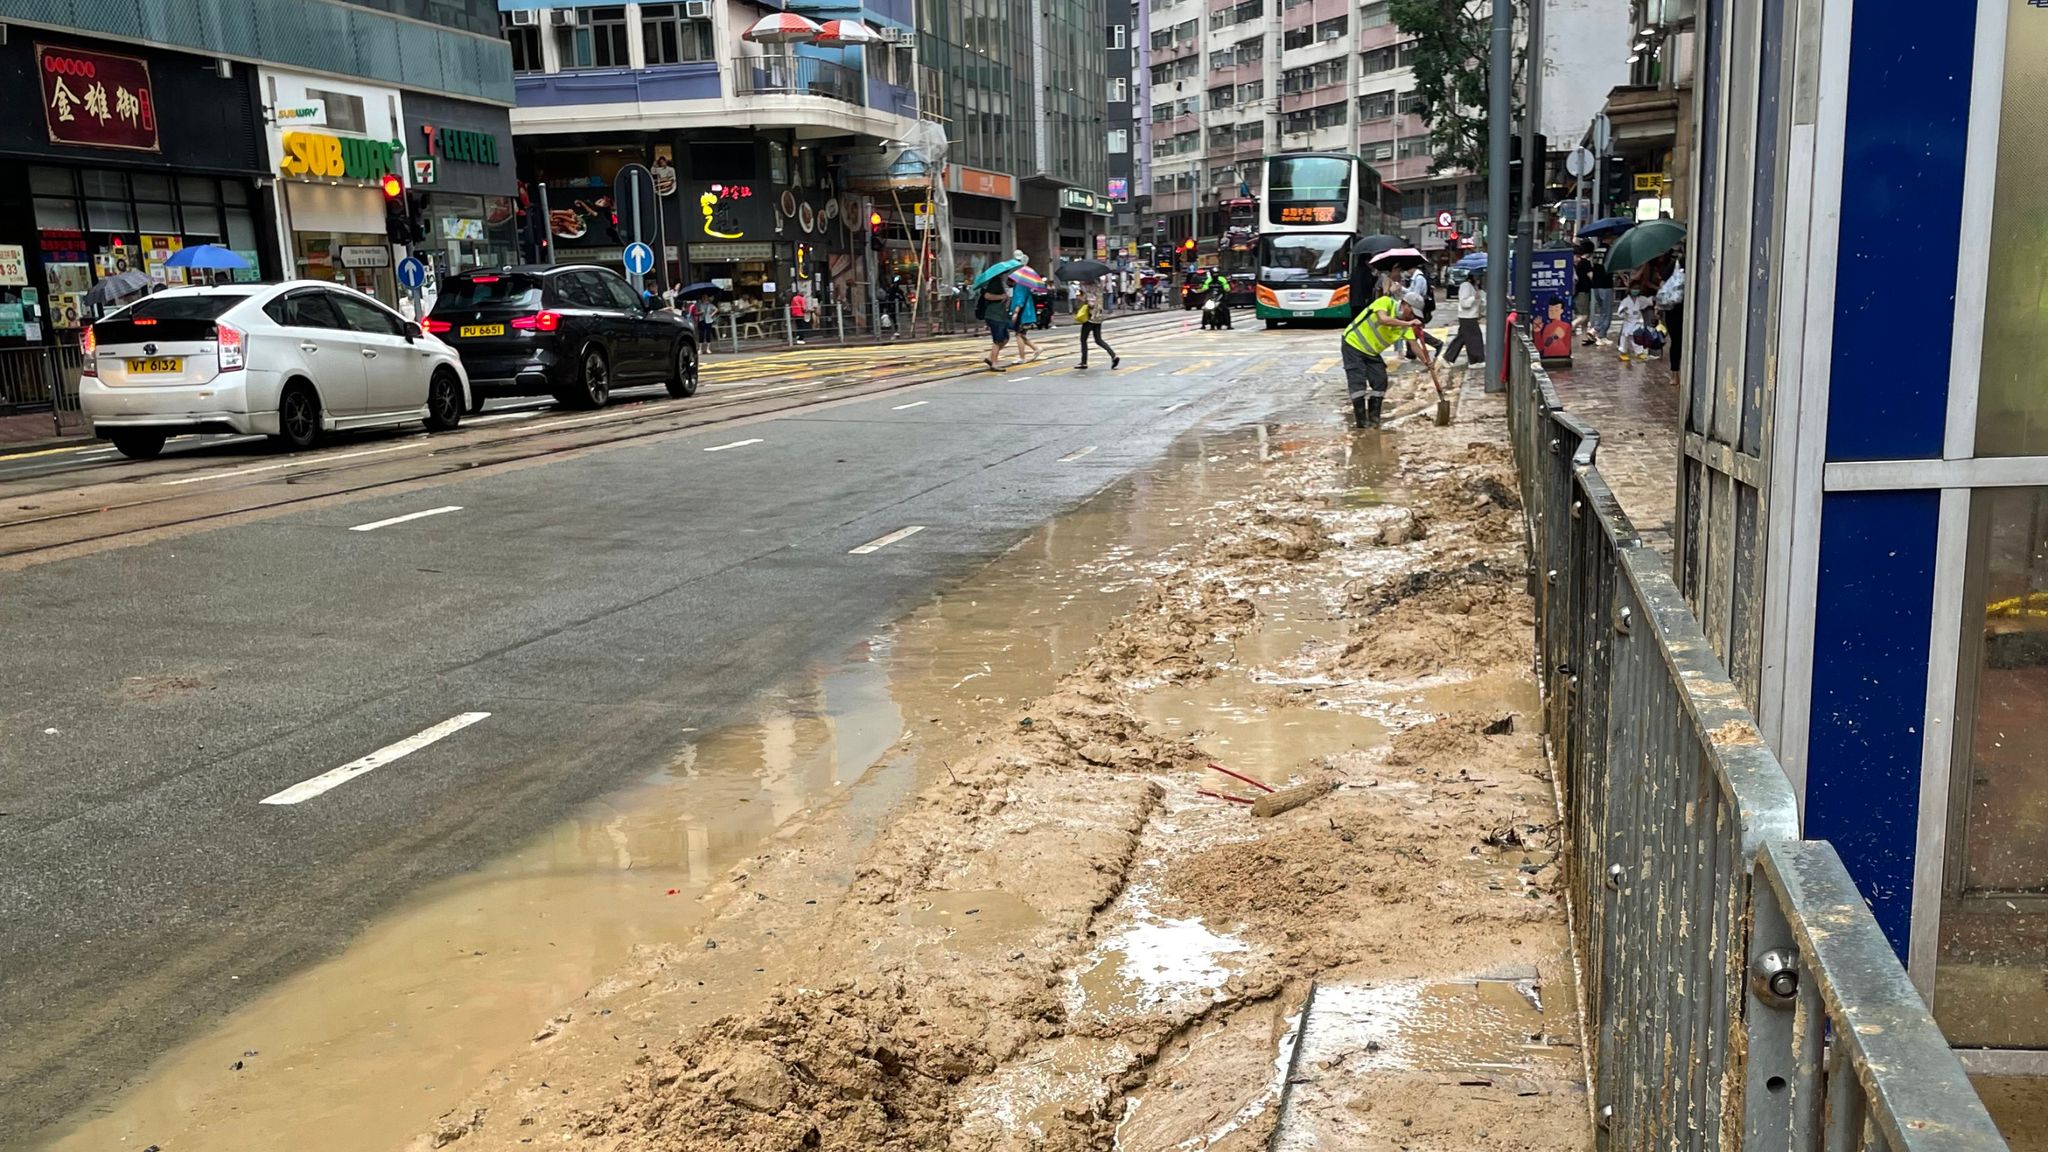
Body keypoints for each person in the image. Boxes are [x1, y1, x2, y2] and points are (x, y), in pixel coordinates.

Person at [1340, 290, 1426, 429]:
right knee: (1358, 383)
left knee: (1380, 381)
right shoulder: (1385, 302)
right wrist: (1409, 323)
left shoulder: (1405, 325)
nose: (1411, 316)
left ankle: (1374, 420)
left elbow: (1414, 345)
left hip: (1371, 352)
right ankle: (1361, 423)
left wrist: (1427, 362)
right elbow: (1383, 319)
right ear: (1405, 305)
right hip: (1353, 344)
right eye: (1411, 312)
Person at [1442, 270, 1486, 366]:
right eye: (1477, 277)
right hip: (1467, 316)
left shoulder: (1475, 287)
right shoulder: (1465, 286)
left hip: (1471, 316)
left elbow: (1480, 303)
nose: (1479, 279)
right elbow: (1464, 303)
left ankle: (1448, 357)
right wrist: (1474, 298)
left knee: (1462, 338)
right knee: (1475, 338)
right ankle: (1476, 360)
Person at [1076, 282, 1120, 369]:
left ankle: (1084, 362)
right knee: (1098, 340)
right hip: (1098, 318)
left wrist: (1081, 299)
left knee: (1083, 340)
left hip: (1090, 319)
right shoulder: (1099, 289)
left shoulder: (1089, 290)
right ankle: (1113, 356)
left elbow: (1090, 304)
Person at [1656, 258, 1686, 387]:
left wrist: (1658, 307)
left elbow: (1662, 286)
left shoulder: (1674, 264)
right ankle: (1680, 372)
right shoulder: (1699, 261)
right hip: (1687, 308)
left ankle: (1675, 374)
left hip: (1672, 308)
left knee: (1676, 341)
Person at [978, 280, 1011, 371]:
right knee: (998, 340)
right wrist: (1002, 296)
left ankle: (990, 359)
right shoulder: (994, 282)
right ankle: (994, 364)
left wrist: (1006, 299)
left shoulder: (999, 282)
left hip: (1000, 316)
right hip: (994, 316)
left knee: (1005, 338)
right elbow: (987, 296)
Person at [1008, 275, 1041, 363]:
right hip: (1027, 313)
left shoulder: (1019, 286)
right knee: (1021, 335)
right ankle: (1036, 349)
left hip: (1023, 314)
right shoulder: (1025, 285)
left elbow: (1020, 300)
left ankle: (1022, 357)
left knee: (1019, 335)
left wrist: (1015, 313)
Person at [1615, 283, 1649, 364]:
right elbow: (1620, 313)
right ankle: (1623, 352)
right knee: (1625, 338)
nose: (1635, 290)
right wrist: (1624, 311)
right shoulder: (1625, 301)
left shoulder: (1640, 299)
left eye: (1637, 288)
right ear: (1630, 290)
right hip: (1628, 322)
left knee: (1637, 338)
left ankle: (1639, 352)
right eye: (1634, 288)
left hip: (1637, 322)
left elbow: (1647, 302)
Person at [1587, 251, 1615, 346]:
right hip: (1606, 285)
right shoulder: (1610, 251)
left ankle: (1601, 336)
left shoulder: (1597, 251)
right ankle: (1597, 330)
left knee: (1602, 311)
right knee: (1606, 312)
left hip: (1596, 285)